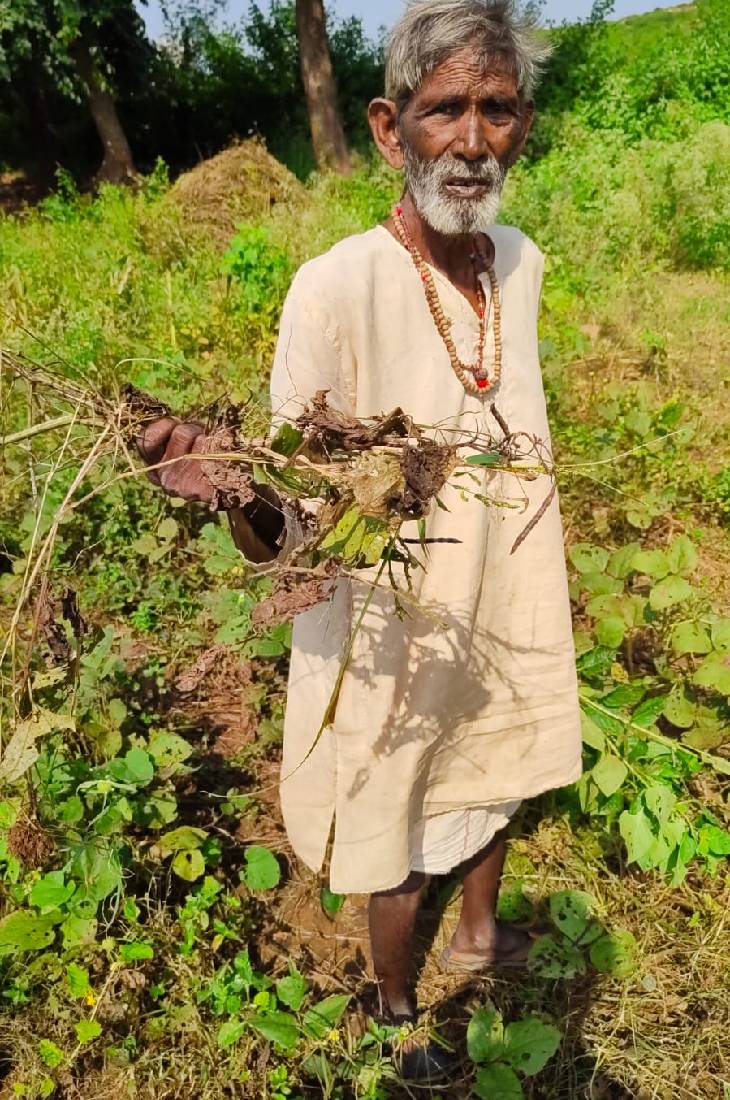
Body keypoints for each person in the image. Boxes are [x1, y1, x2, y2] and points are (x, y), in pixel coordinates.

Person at [138, 0, 582, 1080]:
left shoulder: (516, 259)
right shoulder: (333, 286)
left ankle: (477, 933)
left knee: (503, 759)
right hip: (397, 608)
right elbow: (289, 532)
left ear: (522, 123)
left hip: (508, 568)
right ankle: (389, 1004)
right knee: (403, 800)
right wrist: (235, 490)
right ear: (389, 129)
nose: (472, 141)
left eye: (497, 109)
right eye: (444, 113)